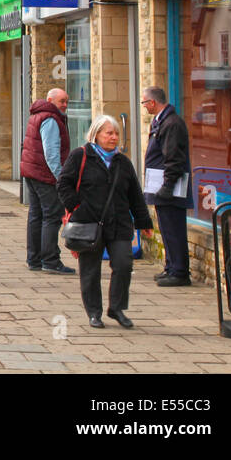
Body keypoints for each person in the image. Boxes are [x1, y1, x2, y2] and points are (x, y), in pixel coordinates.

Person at [57, 114, 154, 329]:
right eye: (109, 133)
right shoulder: (80, 156)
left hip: (119, 223)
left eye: (116, 133)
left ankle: (116, 308)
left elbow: (135, 194)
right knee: (90, 270)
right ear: (96, 134)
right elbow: (63, 184)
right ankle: (94, 312)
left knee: (123, 264)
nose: (113, 137)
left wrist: (143, 221)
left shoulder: (123, 163)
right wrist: (77, 208)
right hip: (89, 223)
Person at [142, 86, 192, 287]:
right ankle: (171, 266)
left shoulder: (171, 123)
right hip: (160, 186)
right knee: (166, 228)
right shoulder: (162, 121)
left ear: (152, 103)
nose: (144, 107)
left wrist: (167, 185)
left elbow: (174, 157)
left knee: (174, 228)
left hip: (170, 188)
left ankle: (179, 271)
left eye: (145, 103)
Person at [21, 87, 75, 274]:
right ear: (50, 100)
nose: (65, 105)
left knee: (36, 216)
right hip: (45, 175)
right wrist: (61, 178)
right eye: (62, 101)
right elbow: (51, 153)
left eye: (66, 101)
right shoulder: (50, 119)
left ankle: (34, 259)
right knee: (51, 216)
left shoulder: (38, 115)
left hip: (32, 172)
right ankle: (50, 260)